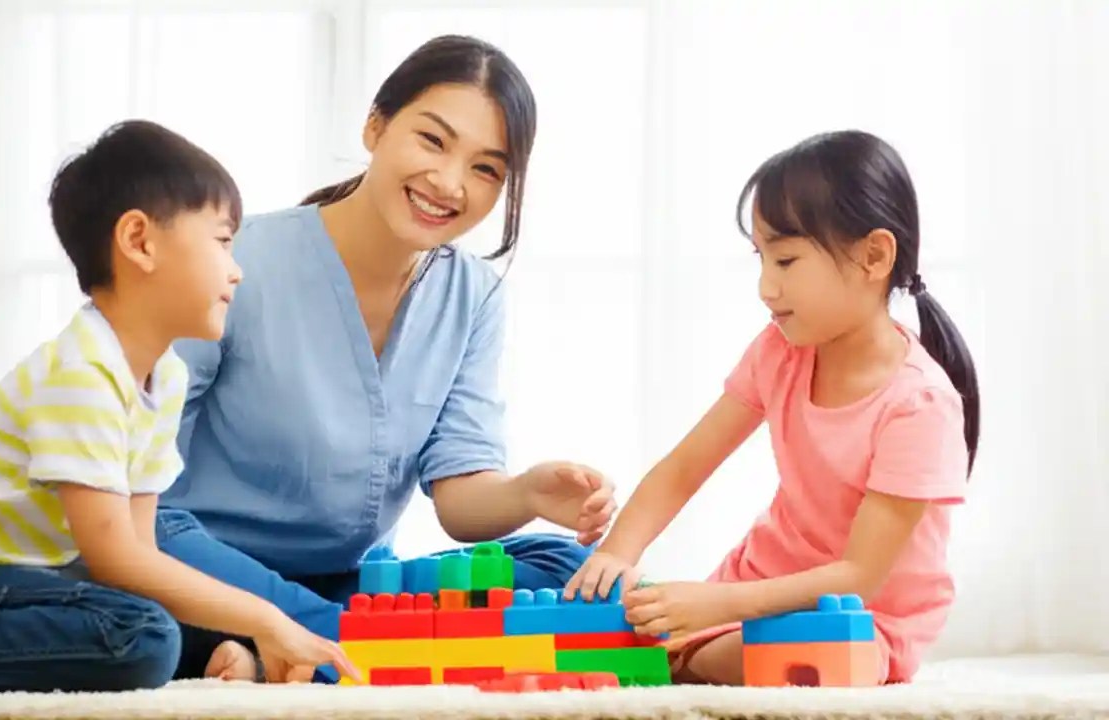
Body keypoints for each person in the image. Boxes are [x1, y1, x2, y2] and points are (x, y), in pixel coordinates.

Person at [0, 119, 357, 695]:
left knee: (160, 628)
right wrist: (266, 619)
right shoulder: (81, 372)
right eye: (223, 241)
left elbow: (140, 556)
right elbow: (112, 561)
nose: (237, 270)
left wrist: (223, 637)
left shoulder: (166, 376)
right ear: (139, 241)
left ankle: (204, 657)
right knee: (140, 633)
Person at [154, 34, 617, 682]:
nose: (450, 182)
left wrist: (526, 493)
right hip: (207, 564)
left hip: (355, 582)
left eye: (487, 169)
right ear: (376, 126)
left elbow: (460, 501)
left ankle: (292, 649)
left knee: (568, 571)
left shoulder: (474, 296)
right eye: (433, 140)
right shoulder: (240, 260)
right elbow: (132, 487)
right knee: (143, 547)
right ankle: (340, 647)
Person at [565, 130, 979, 686]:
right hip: (755, 586)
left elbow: (859, 577)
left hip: (862, 619)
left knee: (817, 657)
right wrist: (616, 555)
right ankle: (684, 650)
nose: (766, 286)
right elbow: (685, 467)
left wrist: (714, 608)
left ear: (874, 256)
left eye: (785, 260)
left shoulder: (919, 406)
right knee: (617, 626)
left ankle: (681, 656)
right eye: (761, 259)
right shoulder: (778, 352)